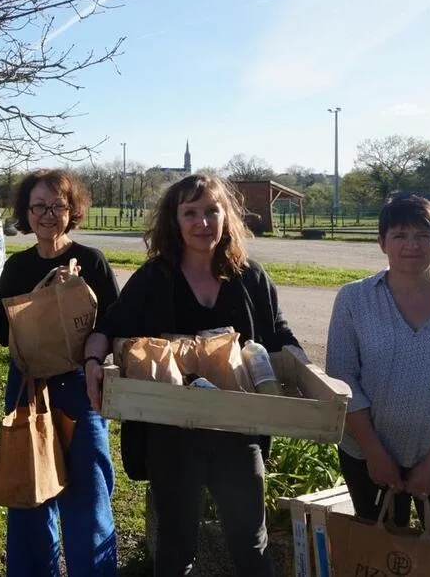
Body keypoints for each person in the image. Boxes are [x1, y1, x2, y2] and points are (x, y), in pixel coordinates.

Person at [86, 173, 301, 577]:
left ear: (226, 216)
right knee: (175, 544)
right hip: (172, 435)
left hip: (238, 432)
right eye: (190, 213)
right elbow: (108, 328)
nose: (202, 223)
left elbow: (280, 335)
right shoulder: (155, 278)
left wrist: (306, 368)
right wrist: (93, 363)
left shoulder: (250, 277)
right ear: (175, 219)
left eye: (211, 211)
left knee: (250, 543)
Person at [325, 194, 430, 551]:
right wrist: (374, 453)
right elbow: (342, 378)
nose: (411, 245)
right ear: (382, 242)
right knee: (382, 557)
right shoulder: (354, 299)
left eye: (423, 235)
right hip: (369, 456)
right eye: (400, 235)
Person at [0, 169, 119, 577]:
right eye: (39, 207)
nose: (48, 215)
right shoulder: (16, 267)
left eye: (57, 206)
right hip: (28, 388)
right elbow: (3, 333)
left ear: (72, 211)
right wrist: (41, 303)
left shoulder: (91, 261)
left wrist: (75, 296)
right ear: (26, 213)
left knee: (88, 497)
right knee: (29, 494)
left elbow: (114, 324)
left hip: (80, 388)